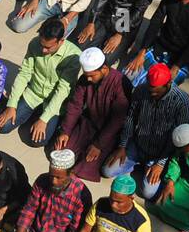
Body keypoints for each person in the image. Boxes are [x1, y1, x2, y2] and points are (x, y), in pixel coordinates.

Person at [103, 63, 189, 183]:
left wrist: (160, 164)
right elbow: (130, 118)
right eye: (150, 91)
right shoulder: (141, 90)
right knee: (107, 171)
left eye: (156, 93)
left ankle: (146, 168)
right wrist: (122, 146)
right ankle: (136, 165)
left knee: (149, 192)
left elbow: (180, 140)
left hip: (160, 154)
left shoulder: (183, 103)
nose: (152, 95)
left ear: (168, 84)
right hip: (138, 145)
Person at [0, 18, 81, 146]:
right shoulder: (34, 44)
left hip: (54, 103)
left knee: (37, 141)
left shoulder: (73, 57)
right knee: (2, 127)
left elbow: (62, 92)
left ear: (61, 41)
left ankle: (37, 117)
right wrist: (12, 105)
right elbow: (24, 74)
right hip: (33, 94)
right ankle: (17, 107)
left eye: (48, 47)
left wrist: (44, 119)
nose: (43, 51)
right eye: (42, 45)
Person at [52, 50, 132, 183]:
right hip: (88, 124)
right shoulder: (85, 79)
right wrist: (65, 132)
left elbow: (117, 120)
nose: (88, 79)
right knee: (62, 155)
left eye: (91, 75)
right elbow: (75, 105)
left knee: (85, 167)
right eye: (86, 75)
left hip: (109, 133)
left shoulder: (121, 83)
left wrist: (98, 145)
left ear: (104, 69)